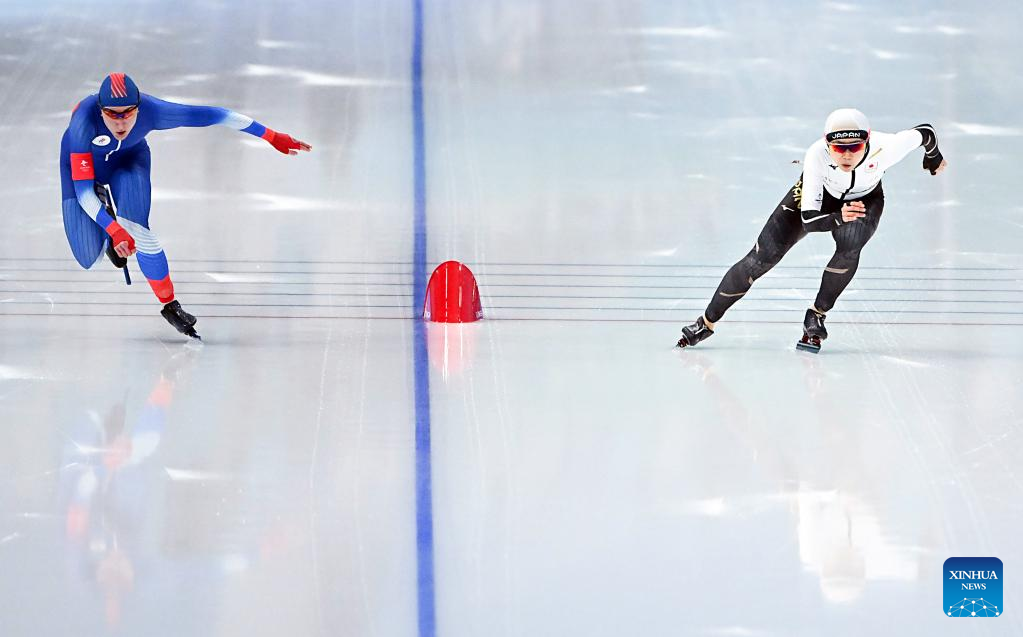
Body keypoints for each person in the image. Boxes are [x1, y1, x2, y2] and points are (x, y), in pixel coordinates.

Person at [60, 73, 312, 339]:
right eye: (113, 114)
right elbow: (84, 192)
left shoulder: (154, 111)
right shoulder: (83, 122)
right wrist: (113, 229)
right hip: (82, 171)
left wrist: (271, 136)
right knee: (88, 256)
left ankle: (170, 305)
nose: (121, 122)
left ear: (139, 108)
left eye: (129, 113)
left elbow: (216, 115)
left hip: (129, 162)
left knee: (139, 232)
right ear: (101, 111)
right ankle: (108, 220)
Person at [676, 108, 947, 352]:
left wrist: (933, 156)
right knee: (761, 258)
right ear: (827, 143)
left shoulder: (886, 147)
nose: (847, 154)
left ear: (868, 140)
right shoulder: (816, 155)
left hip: (864, 199)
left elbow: (926, 133)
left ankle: (817, 314)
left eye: (855, 146)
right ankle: (706, 322)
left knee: (851, 244)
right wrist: (838, 217)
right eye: (838, 148)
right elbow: (809, 221)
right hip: (820, 201)